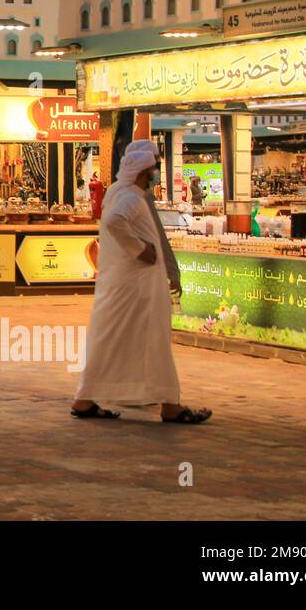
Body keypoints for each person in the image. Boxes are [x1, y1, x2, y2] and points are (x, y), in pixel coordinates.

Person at [72, 141, 211, 424]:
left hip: (127, 286)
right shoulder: (132, 198)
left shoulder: (120, 192)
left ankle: (86, 398)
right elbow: (115, 222)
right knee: (153, 342)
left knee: (114, 341)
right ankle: (170, 405)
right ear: (141, 173)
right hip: (137, 288)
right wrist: (140, 250)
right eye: (152, 171)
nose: (155, 176)